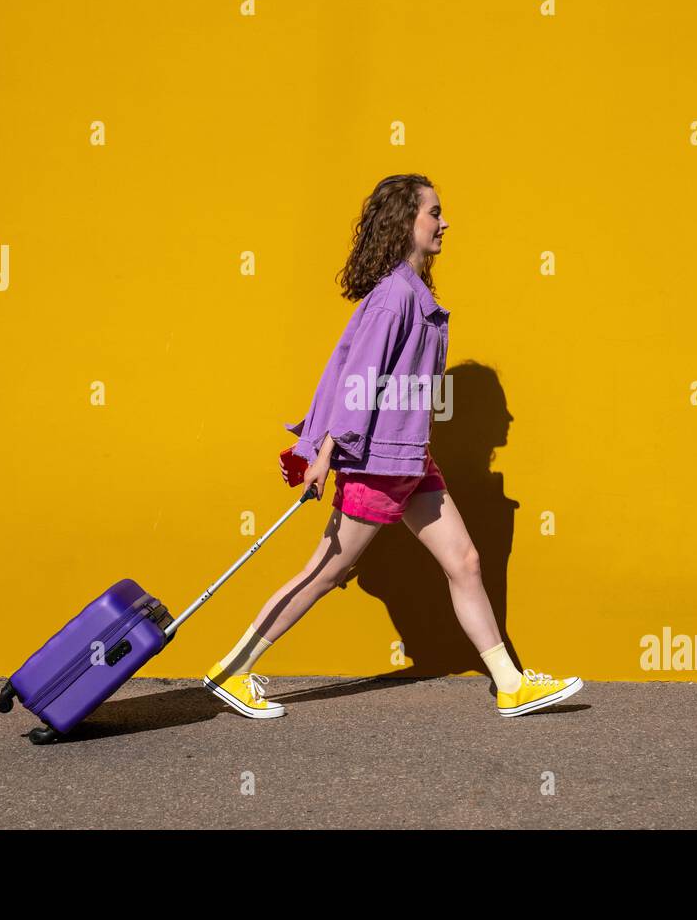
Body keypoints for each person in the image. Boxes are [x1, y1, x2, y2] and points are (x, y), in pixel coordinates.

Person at [203, 173, 582, 719]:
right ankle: (231, 669)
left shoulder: (414, 291)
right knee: (326, 571)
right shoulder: (394, 298)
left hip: (410, 461)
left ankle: (510, 684)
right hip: (377, 464)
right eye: (434, 212)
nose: (444, 222)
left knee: (466, 562)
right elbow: (357, 379)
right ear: (407, 222)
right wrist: (324, 454)